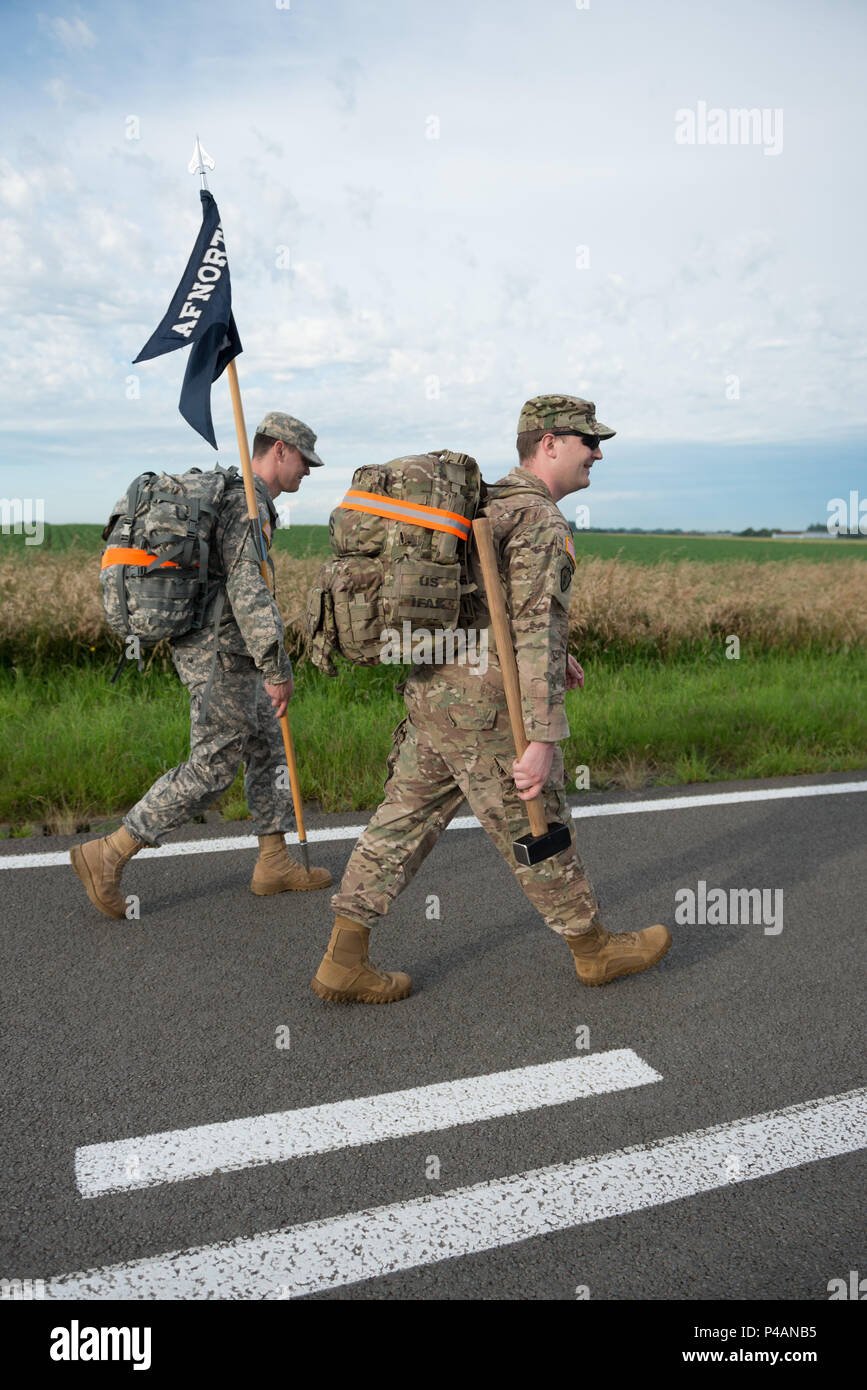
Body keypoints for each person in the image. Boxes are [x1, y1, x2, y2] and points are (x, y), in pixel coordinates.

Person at [310, 395, 671, 1003]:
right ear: (550, 443)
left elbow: (482, 609)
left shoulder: (486, 504)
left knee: (401, 821)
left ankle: (343, 959)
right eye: (589, 441)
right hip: (487, 712)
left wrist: (560, 658)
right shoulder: (541, 521)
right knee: (537, 821)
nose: (599, 453)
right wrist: (543, 738)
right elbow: (531, 631)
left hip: (434, 692)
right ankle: (593, 950)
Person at [71, 412, 332, 919]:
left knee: (267, 743)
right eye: (304, 459)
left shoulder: (242, 499)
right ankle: (108, 852)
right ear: (279, 450)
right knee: (212, 768)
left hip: (225, 649)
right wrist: (277, 667)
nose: (309, 471)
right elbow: (247, 590)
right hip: (220, 656)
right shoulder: (246, 504)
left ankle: (274, 861)